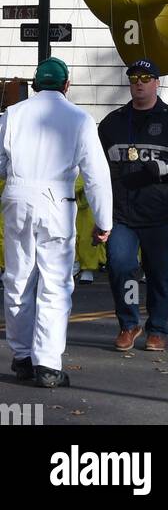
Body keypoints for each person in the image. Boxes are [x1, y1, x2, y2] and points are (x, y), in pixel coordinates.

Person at [0, 57, 112, 388]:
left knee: (17, 279)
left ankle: (21, 356)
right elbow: (96, 175)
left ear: (35, 84)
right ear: (67, 85)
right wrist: (103, 219)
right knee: (54, 285)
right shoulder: (80, 119)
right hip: (56, 201)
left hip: (18, 196)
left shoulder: (13, 115)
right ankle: (47, 364)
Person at [99, 58, 168, 353]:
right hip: (122, 214)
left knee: (159, 273)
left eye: (146, 77)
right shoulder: (112, 123)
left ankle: (157, 329)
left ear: (157, 82)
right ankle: (129, 324)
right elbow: (95, 165)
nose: (139, 83)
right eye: (133, 78)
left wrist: (162, 168)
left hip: (161, 213)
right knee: (121, 266)